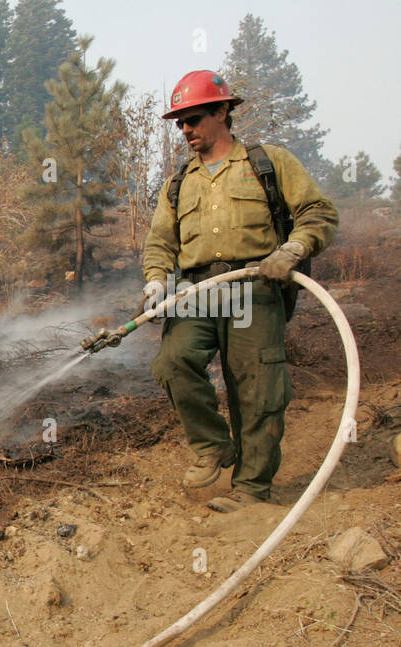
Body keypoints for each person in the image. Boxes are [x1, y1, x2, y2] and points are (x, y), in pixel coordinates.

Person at [142, 70, 338, 513]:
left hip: (256, 288)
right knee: (173, 361)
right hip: (197, 290)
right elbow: (160, 242)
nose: (186, 131)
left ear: (222, 111)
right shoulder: (178, 184)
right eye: (180, 124)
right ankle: (213, 448)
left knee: (257, 388)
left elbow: (318, 212)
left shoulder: (268, 163)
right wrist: (156, 279)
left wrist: (293, 249)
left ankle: (251, 490)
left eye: (193, 119)